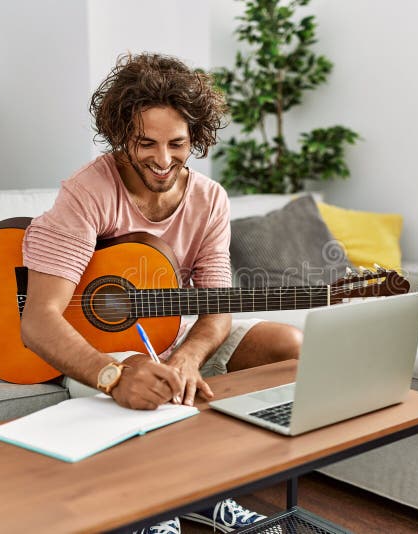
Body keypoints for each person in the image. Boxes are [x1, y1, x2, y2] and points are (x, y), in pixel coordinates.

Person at [20, 53, 302, 534]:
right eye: (145, 143)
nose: (163, 159)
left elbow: (216, 307)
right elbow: (39, 318)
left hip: (170, 336)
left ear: (198, 137)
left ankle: (213, 485)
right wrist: (112, 374)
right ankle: (163, 506)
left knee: (290, 348)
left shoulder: (209, 199)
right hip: (100, 348)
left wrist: (190, 356)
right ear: (121, 135)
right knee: (146, 386)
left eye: (178, 143)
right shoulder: (88, 192)